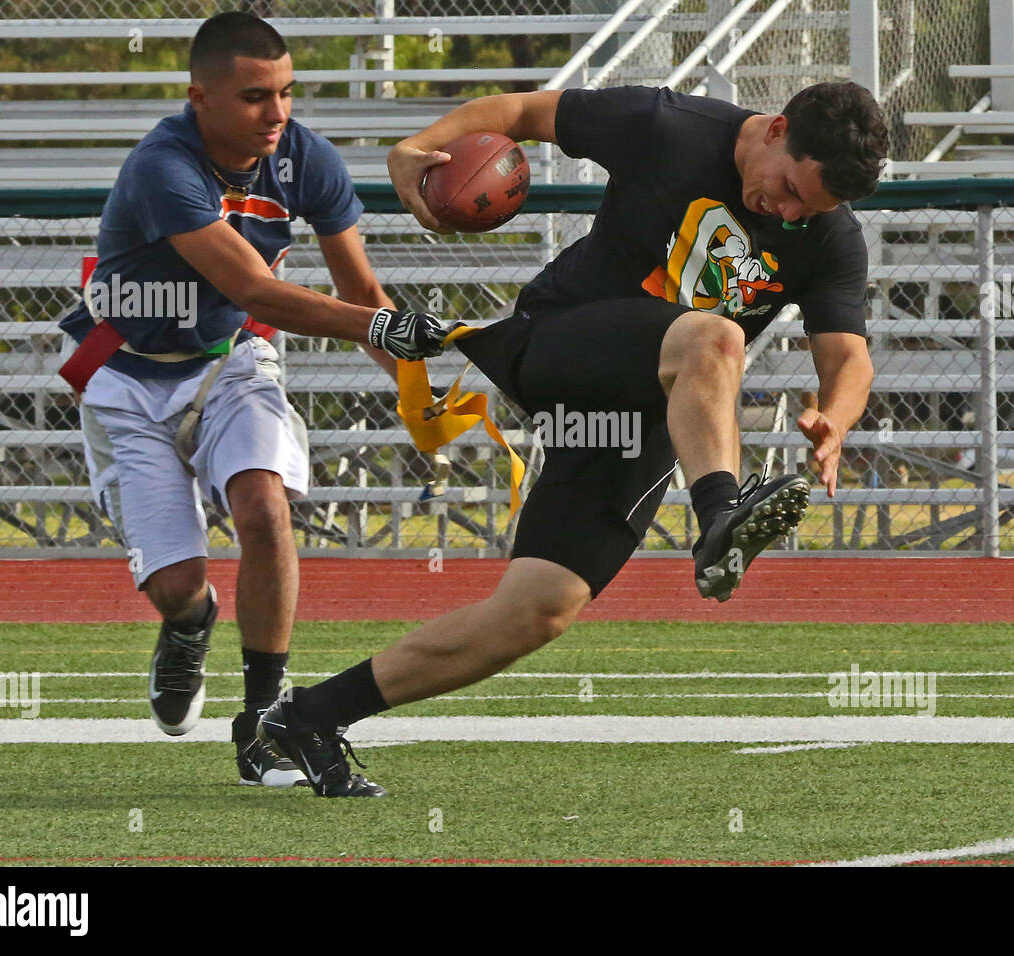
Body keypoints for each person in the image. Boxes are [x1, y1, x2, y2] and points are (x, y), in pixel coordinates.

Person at [258, 81, 887, 797]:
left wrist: (836, 415)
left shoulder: (829, 236)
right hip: (555, 342)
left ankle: (310, 717)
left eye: (813, 207)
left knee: (540, 606)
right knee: (716, 335)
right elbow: (524, 112)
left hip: (645, 409)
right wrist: (415, 146)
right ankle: (719, 517)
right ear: (775, 129)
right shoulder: (668, 126)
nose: (792, 211)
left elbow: (850, 359)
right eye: (789, 188)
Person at [58, 12, 446, 794]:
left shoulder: (306, 157)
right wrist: (389, 328)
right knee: (177, 586)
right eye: (255, 97)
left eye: (287, 93)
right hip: (126, 376)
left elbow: (359, 289)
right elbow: (254, 286)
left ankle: (265, 726)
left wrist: (419, 395)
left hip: (228, 359)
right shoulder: (161, 166)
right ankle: (189, 623)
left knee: (265, 508)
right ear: (198, 97)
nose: (277, 114)